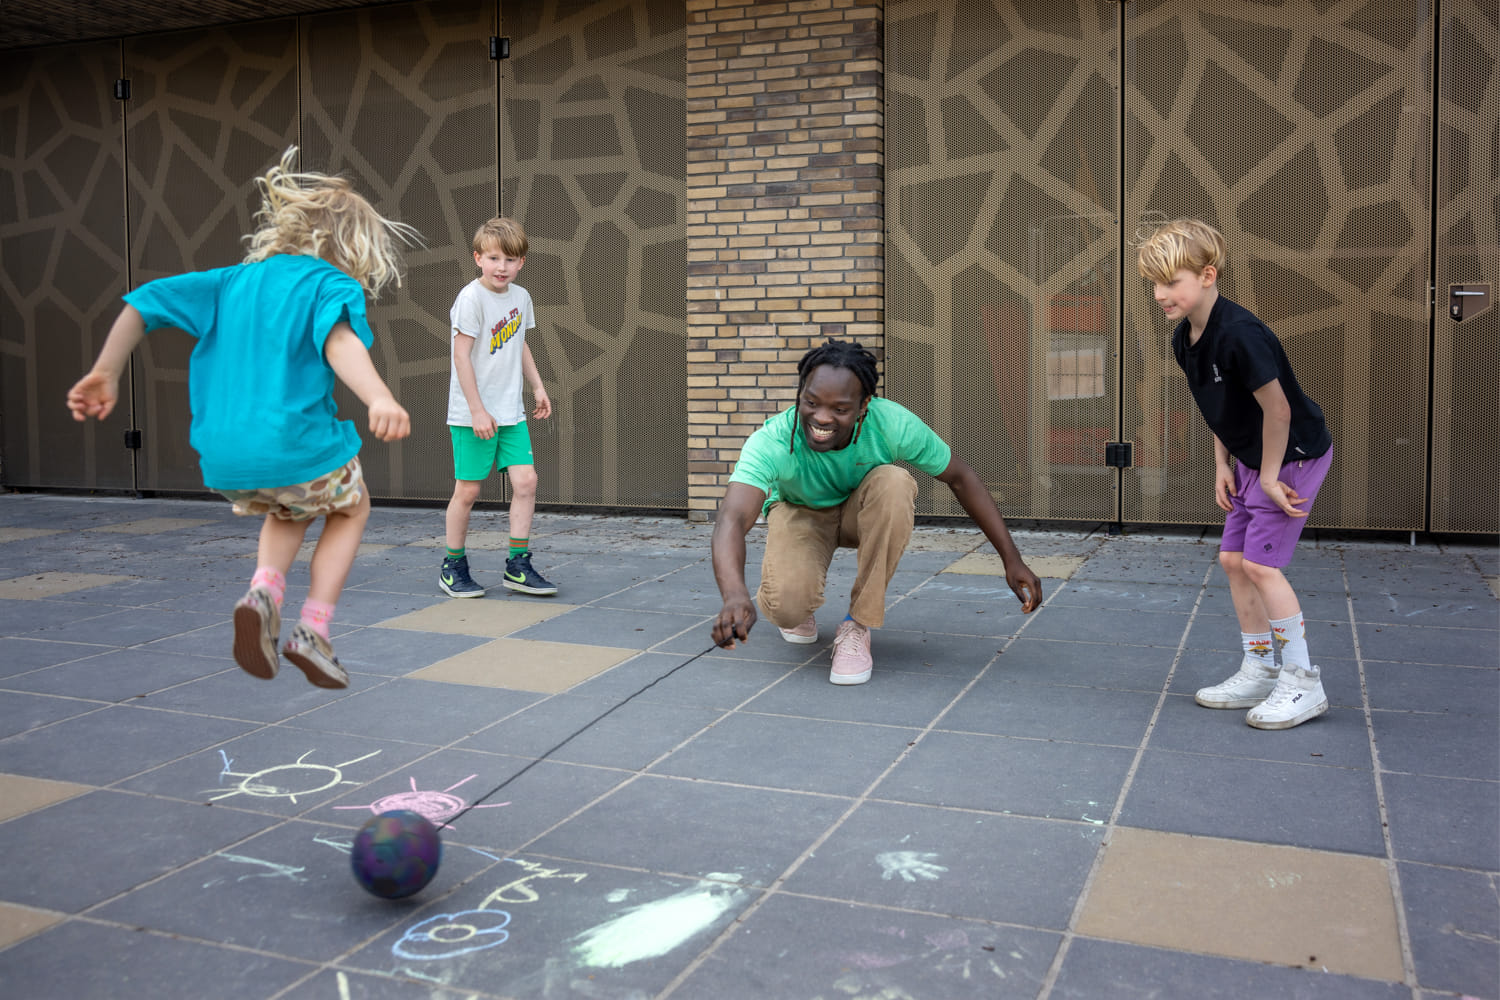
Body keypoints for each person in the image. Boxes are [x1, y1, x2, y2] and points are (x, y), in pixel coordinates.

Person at [66, 147, 415, 689]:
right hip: (293, 443)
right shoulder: (330, 284)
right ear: (352, 247)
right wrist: (379, 398)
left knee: (292, 502)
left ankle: (264, 591)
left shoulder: (230, 282)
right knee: (351, 506)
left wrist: (106, 371)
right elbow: (341, 342)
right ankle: (313, 630)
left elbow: (144, 301)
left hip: (225, 454)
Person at [710, 338, 1043, 685]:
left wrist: (1011, 558)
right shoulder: (774, 440)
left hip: (862, 510)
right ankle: (797, 607)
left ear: (864, 405)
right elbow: (732, 518)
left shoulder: (890, 423)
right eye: (811, 402)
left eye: (839, 409)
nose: (821, 417)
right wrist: (735, 595)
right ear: (800, 394)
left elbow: (961, 477)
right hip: (801, 511)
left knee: (895, 482)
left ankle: (857, 624)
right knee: (786, 607)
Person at [1137, 219, 1334, 730]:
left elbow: (1280, 411)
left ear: (1207, 275)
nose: (1160, 294)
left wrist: (1268, 476)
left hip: (1291, 456)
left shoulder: (1241, 334)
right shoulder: (1185, 338)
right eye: (1154, 284)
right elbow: (1218, 407)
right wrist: (1223, 465)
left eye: (1171, 282)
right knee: (1232, 559)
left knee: (1263, 567)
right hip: (1252, 460)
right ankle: (1261, 668)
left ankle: (1302, 682)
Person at [439, 217, 556, 599]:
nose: (501, 267)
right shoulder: (471, 298)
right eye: (493, 258)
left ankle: (517, 566)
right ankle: (453, 565)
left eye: (510, 259)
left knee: (526, 482)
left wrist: (538, 386)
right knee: (468, 491)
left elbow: (519, 343)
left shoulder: (521, 298)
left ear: (522, 262)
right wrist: (476, 410)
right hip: (472, 413)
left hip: (510, 412)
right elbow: (461, 356)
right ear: (478, 258)